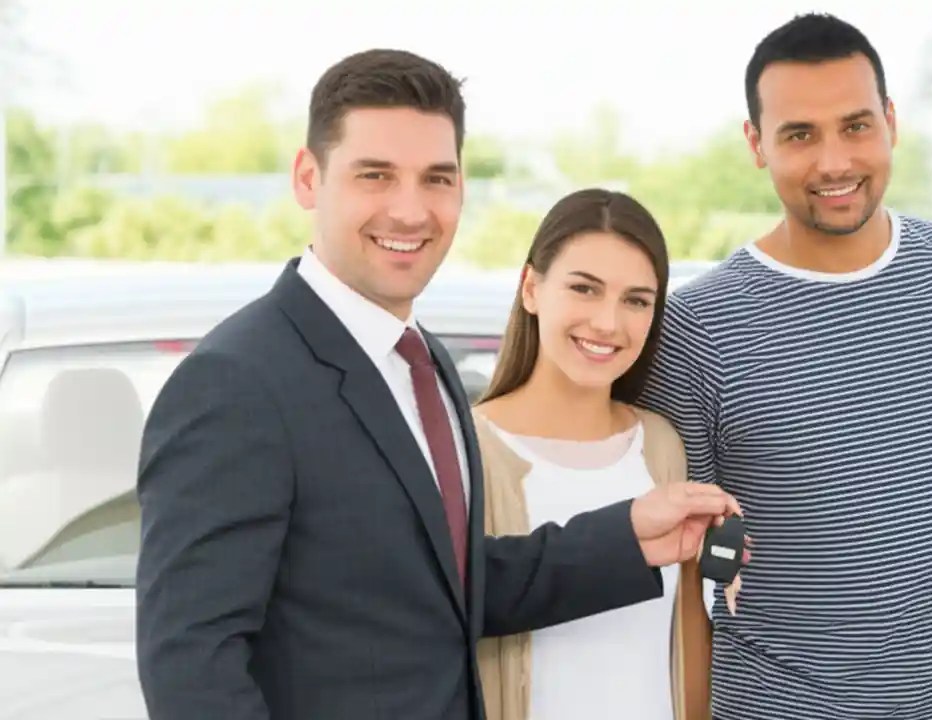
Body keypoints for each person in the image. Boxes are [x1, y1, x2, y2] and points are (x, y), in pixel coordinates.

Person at [134, 49, 741, 720]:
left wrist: (628, 535)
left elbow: (451, 589)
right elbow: (192, 670)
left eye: (437, 179)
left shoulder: (424, 365)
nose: (410, 210)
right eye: (375, 175)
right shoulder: (237, 381)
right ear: (309, 178)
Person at [635, 13, 932, 719]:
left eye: (856, 125)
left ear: (890, 121)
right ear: (756, 143)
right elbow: (685, 575)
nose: (833, 162)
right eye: (799, 134)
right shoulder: (698, 329)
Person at [472, 188, 718, 720]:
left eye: (636, 300)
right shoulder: (468, 450)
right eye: (584, 288)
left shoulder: (660, 447)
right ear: (531, 288)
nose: (608, 323)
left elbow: (688, 632)